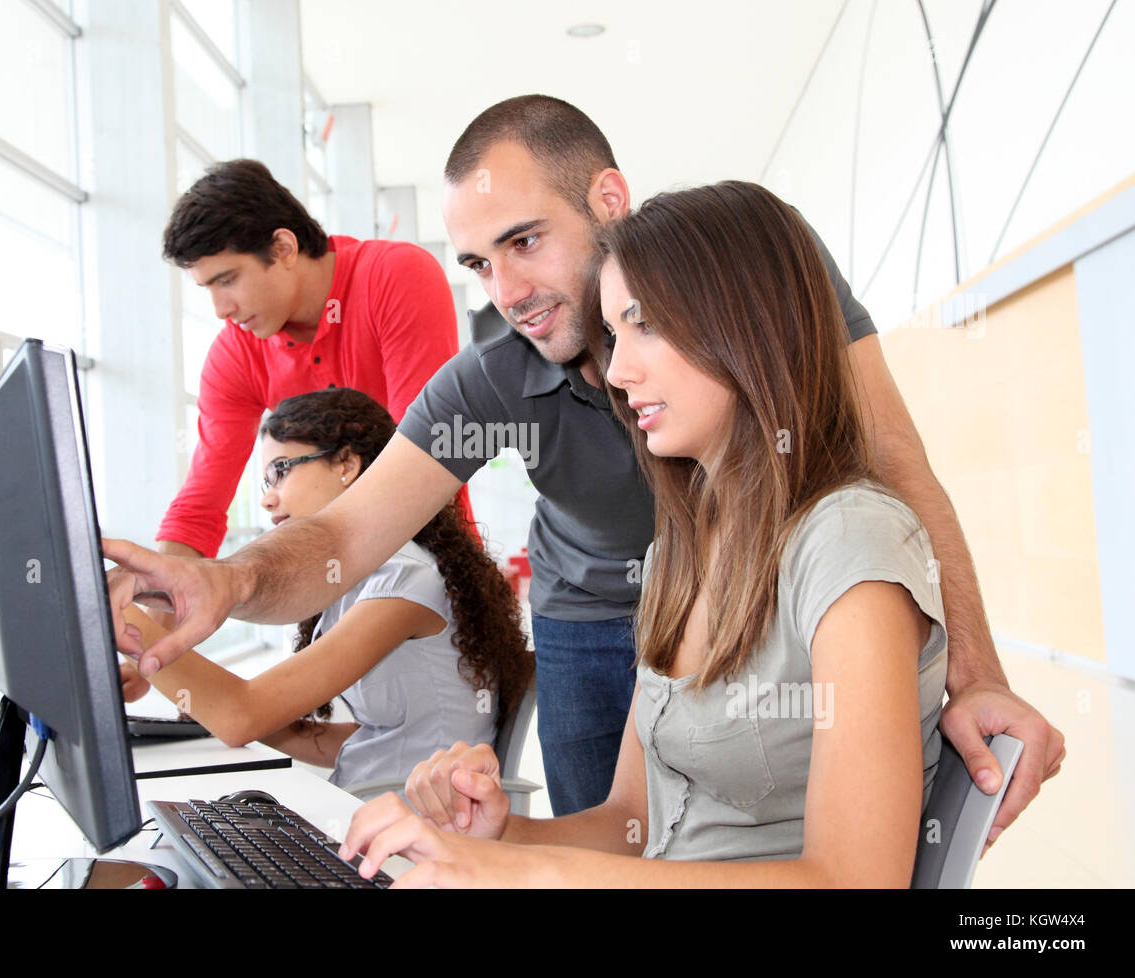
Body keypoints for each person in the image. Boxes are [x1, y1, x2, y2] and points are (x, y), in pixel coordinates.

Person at [105, 96, 1062, 835]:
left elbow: (897, 461)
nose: (507, 292)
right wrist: (224, 582)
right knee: (616, 830)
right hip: (591, 617)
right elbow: (345, 538)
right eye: (479, 263)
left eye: (524, 242)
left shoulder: (756, 283)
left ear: (609, 198)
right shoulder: (491, 378)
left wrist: (975, 668)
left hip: (747, 596)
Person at [338, 182, 950, 886]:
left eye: (645, 325)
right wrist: (501, 837)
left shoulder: (852, 545)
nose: (619, 373)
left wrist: (527, 877)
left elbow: (853, 881)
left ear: (753, 324)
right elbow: (632, 825)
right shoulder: (679, 549)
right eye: (612, 334)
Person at [117, 389, 531, 788]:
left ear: (346, 465)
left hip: (417, 835)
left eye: (281, 471)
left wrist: (122, 615)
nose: (268, 500)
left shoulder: (405, 580)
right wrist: (204, 707)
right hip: (376, 810)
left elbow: (241, 714)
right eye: (265, 482)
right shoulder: (353, 579)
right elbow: (375, 741)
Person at [156, 159, 463, 562]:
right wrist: (152, 606)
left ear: (283, 248)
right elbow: (200, 507)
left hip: (429, 566)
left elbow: (425, 459)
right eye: (207, 288)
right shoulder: (234, 353)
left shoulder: (394, 277)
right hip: (329, 582)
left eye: (227, 279)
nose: (219, 309)